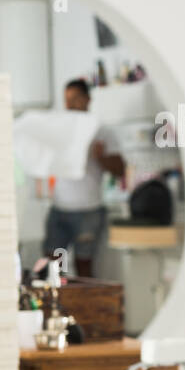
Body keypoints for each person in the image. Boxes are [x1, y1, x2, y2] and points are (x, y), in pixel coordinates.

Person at [40, 78, 126, 278]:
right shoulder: (60, 131)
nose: (69, 105)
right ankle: (58, 307)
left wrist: (101, 157)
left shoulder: (102, 131)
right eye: (66, 100)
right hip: (59, 210)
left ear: (87, 99)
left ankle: (83, 308)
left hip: (88, 212)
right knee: (54, 265)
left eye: (75, 99)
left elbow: (120, 170)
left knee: (84, 267)